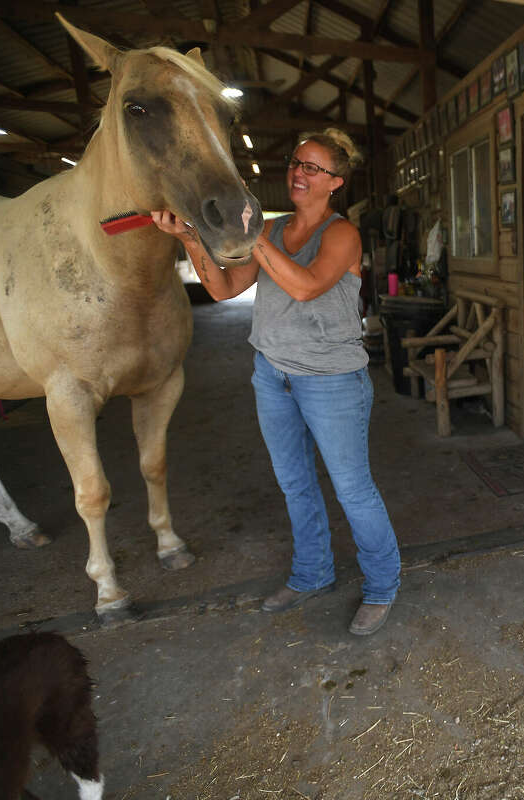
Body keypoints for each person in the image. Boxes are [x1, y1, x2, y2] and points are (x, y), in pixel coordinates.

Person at [150, 128, 401, 637]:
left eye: (312, 168)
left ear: (336, 182)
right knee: (294, 484)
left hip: (332, 382)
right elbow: (222, 289)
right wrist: (190, 238)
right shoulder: (276, 227)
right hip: (273, 376)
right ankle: (312, 575)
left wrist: (254, 234)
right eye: (295, 163)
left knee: (353, 491)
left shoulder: (341, 234)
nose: (298, 173)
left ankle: (381, 586)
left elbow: (306, 288)